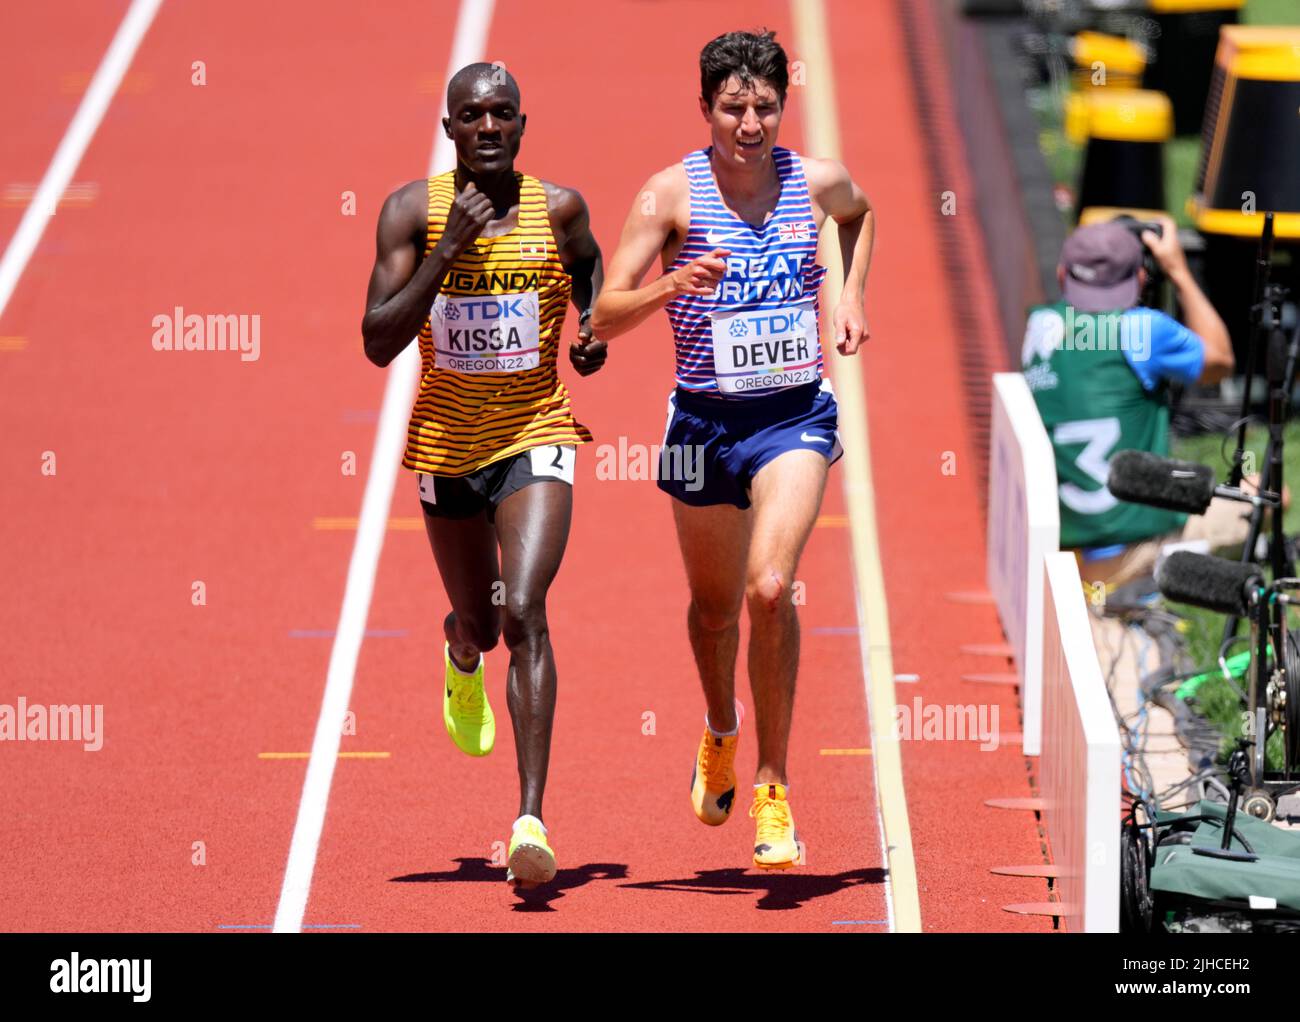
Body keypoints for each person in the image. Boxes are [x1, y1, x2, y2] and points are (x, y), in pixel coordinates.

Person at [592, 30, 875, 870]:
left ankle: (774, 786)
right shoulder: (669, 196)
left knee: (770, 586)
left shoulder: (816, 181)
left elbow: (861, 217)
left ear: (782, 103)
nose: (750, 123)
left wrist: (848, 296)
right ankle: (721, 728)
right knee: (713, 609)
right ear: (706, 107)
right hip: (699, 426)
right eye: (732, 108)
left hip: (795, 416)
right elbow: (602, 314)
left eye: (764, 106)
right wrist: (673, 284)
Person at [360, 63, 607, 889]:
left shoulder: (558, 206)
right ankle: (459, 650)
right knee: (486, 620)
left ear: (523, 126)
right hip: (445, 446)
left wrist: (592, 333)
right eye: (473, 115)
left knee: (528, 607)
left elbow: (589, 269)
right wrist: (450, 250)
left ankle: (530, 819)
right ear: (451, 130)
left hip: (535, 432)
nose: (490, 126)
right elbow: (378, 339)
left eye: (503, 113)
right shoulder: (411, 212)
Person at [1021, 216, 1239, 586]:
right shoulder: (1142, 329)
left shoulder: (1038, 326)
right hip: (1131, 545)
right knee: (1266, 496)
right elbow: (1220, 360)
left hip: (1063, 546)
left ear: (1063, 275)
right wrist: (1179, 271)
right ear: (1140, 278)